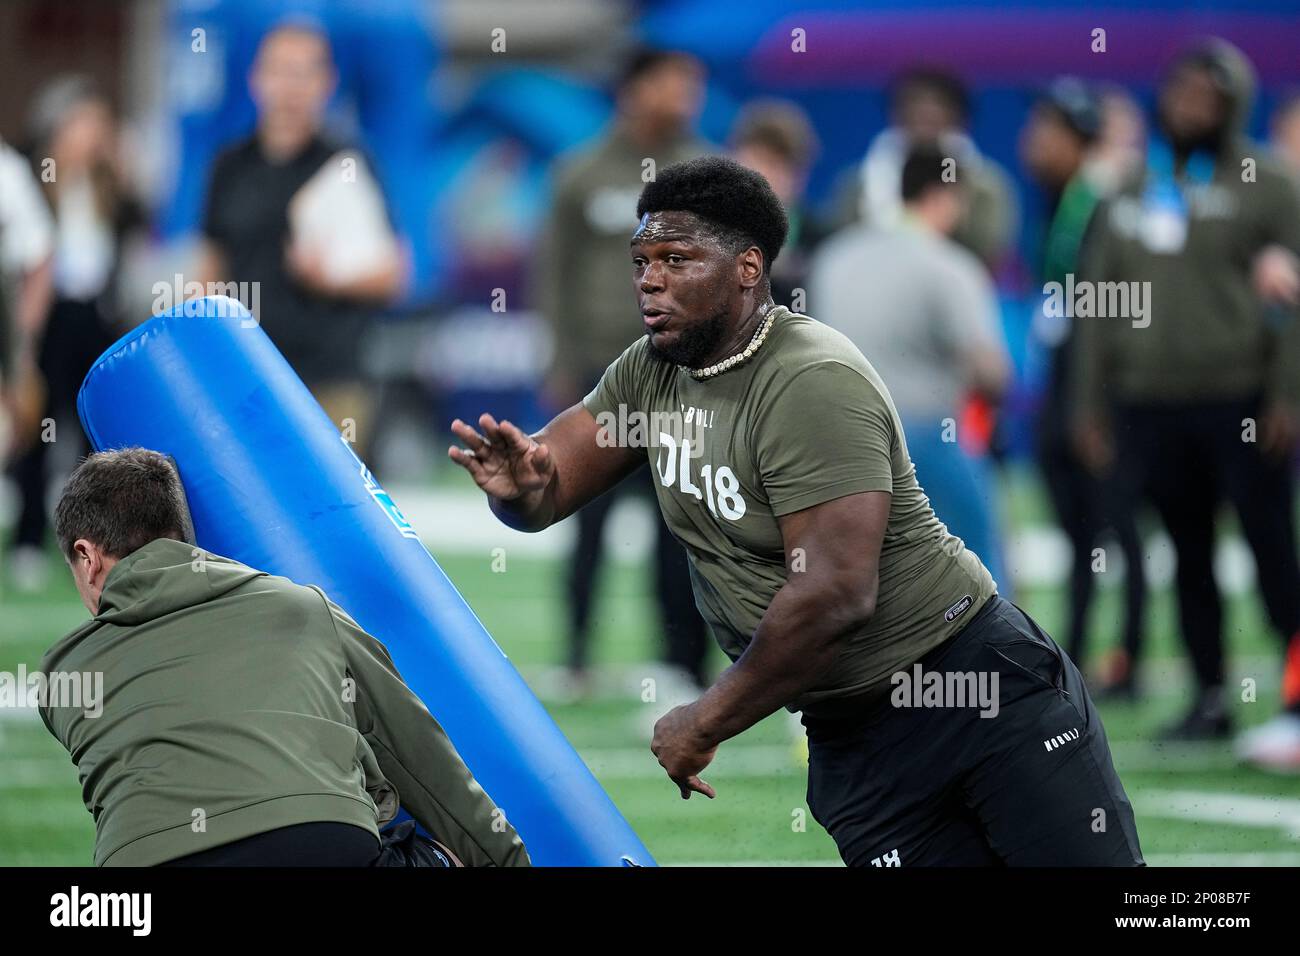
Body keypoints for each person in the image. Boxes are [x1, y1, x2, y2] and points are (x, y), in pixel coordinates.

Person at [451, 156, 1143, 866]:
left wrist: (705, 719)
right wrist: (522, 488)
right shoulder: (651, 370)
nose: (650, 280)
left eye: (677, 259)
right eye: (641, 261)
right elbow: (550, 485)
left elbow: (835, 592)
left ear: (748, 268)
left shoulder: (809, 377)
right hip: (850, 730)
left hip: (974, 694)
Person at [41, 447, 529, 867]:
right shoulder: (305, 608)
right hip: (319, 845)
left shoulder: (61, 678)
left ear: (86, 557)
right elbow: (418, 755)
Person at [1072, 40, 1300, 754]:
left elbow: (1294, 300)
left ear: (1234, 105)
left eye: (1207, 96)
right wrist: (1088, 401)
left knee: (1270, 548)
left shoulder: (1269, 182)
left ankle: (1297, 695)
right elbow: (1096, 300)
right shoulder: (1131, 187)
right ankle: (1210, 696)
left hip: (1239, 397)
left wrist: (1287, 393)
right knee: (1188, 552)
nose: (1189, 106)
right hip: (1148, 403)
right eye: (1180, 93)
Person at [533, 47, 711, 705]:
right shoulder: (580, 171)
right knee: (585, 518)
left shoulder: (706, 173)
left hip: (680, 374)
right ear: (634, 88)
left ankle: (682, 663)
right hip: (597, 374)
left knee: (686, 522)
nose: (685, 96)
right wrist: (556, 360)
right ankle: (576, 657)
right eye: (673, 82)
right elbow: (552, 274)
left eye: (692, 85)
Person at [198, 20, 405, 458]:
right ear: (256, 79)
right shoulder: (229, 166)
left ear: (327, 83)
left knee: (334, 512)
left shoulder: (347, 162)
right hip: (249, 374)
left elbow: (394, 274)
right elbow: (209, 270)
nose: (291, 86)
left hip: (333, 377)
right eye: (281, 71)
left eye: (305, 72)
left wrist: (329, 278)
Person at [810, 145, 1012, 590]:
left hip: (840, 438)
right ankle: (997, 659)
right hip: (925, 436)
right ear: (943, 197)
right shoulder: (949, 265)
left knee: (854, 576)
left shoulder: (834, 258)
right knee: (981, 565)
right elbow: (990, 370)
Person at [1020, 79, 1146, 696]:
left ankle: (1132, 657)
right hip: (1063, 385)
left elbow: (1117, 312)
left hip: (1104, 392)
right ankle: (1072, 653)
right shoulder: (1058, 201)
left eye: (1047, 132)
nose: (1031, 144)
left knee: (1121, 525)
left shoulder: (1107, 205)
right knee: (1076, 530)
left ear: (1080, 140)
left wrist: (1098, 402)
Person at [9, 76, 145, 594]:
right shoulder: (32, 176)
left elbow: (137, 231)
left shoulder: (108, 185)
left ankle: (99, 540)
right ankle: (27, 538)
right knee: (39, 430)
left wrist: (122, 172)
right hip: (50, 317)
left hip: (96, 316)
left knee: (97, 435)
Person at [850, 67, 1019, 270]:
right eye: (914, 105)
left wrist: (953, 207)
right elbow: (843, 248)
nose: (925, 113)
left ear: (960, 118)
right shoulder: (863, 182)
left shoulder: (983, 186)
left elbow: (988, 251)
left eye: (937, 105)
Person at [0, 133, 55, 583]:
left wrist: (21, 349)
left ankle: (28, 541)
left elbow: (39, 258)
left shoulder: (9, 171)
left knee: (15, 432)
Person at [729, 99, 827, 309]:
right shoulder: (707, 233)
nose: (764, 175)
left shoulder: (821, 243)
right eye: (757, 160)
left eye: (776, 165)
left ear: (801, 176)